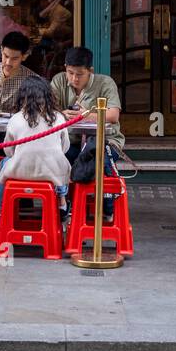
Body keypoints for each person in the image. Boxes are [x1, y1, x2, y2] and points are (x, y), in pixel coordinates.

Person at [51, 46, 125, 221]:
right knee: (55, 159)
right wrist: (61, 114)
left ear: (90, 71)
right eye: (70, 73)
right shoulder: (59, 81)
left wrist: (87, 116)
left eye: (79, 74)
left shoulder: (105, 83)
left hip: (105, 142)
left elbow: (113, 115)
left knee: (97, 162)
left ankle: (107, 210)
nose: (74, 78)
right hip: (70, 142)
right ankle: (65, 207)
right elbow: (47, 108)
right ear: (65, 68)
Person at [0, 77, 71, 218]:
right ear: (48, 97)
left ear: (22, 97)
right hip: (51, 174)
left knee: (4, 162)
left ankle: (0, 207)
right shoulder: (59, 117)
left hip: (20, 172)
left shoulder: (15, 119)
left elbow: (9, 151)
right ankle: (62, 201)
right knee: (60, 161)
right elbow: (65, 148)